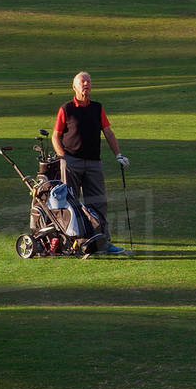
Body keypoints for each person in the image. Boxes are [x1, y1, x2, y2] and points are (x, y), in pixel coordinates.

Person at [52, 71, 131, 256]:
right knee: (69, 203)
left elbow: (108, 132)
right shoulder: (66, 109)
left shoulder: (97, 108)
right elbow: (56, 136)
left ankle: (102, 242)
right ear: (74, 87)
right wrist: (63, 158)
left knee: (98, 202)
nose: (86, 84)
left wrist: (118, 155)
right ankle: (72, 243)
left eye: (88, 81)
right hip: (71, 162)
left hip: (94, 163)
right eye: (82, 82)